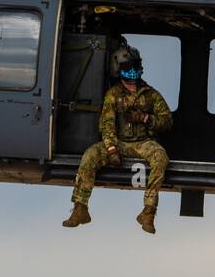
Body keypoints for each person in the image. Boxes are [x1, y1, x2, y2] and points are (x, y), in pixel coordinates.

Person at [62, 46, 173, 234]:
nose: (132, 71)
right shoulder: (113, 95)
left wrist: (146, 119)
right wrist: (112, 148)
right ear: (117, 69)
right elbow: (106, 124)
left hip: (142, 143)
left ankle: (148, 211)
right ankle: (80, 208)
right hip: (118, 142)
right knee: (90, 155)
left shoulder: (151, 95)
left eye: (135, 66)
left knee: (160, 157)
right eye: (127, 67)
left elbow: (167, 121)